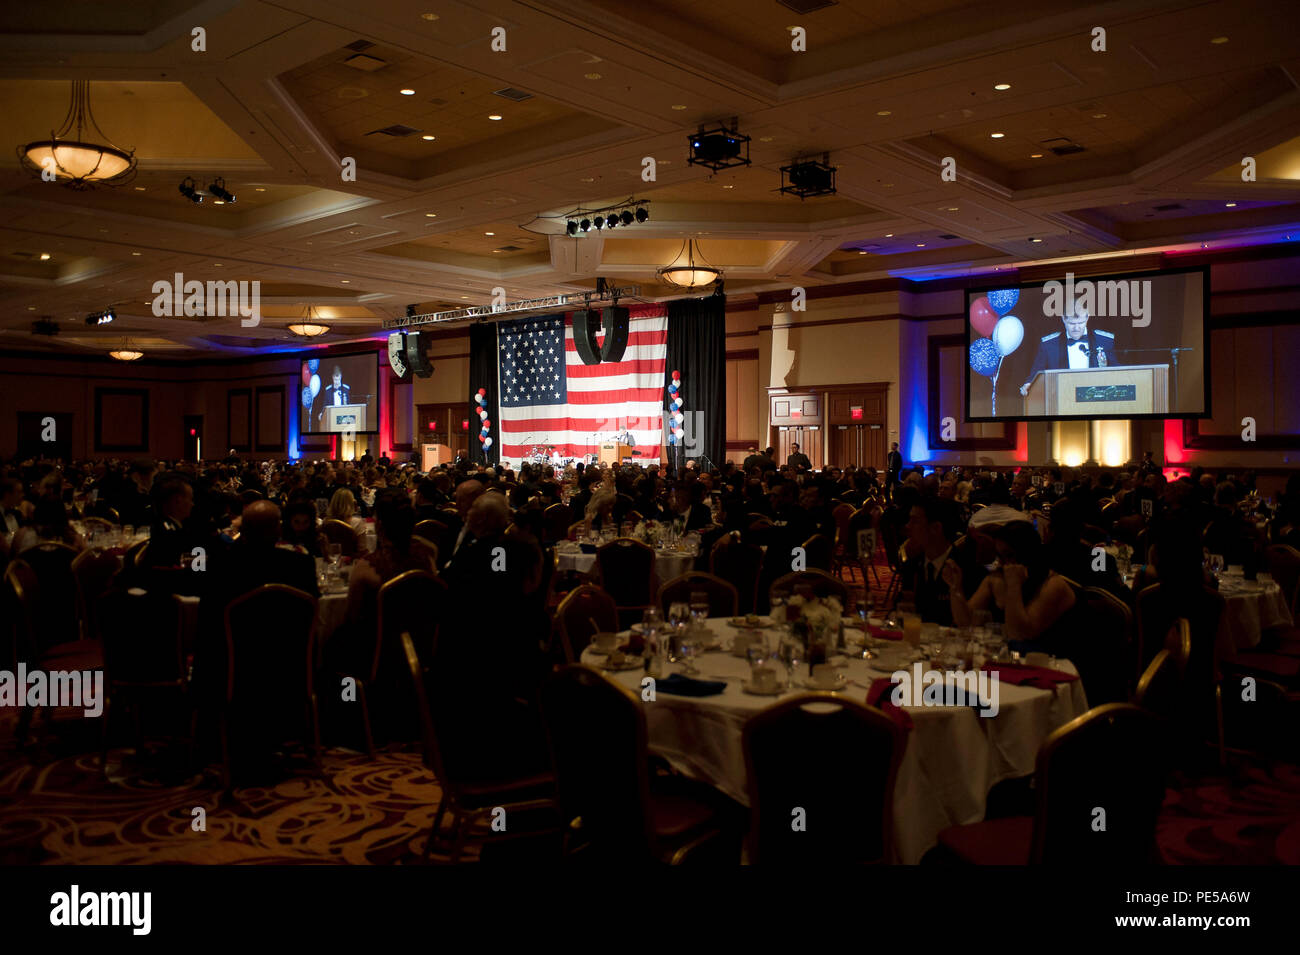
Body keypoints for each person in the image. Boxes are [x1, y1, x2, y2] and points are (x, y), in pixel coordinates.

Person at [900, 497, 984, 625]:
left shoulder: (966, 568)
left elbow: (972, 625)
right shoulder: (912, 565)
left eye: (915, 521)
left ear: (936, 528)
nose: (908, 526)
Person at [1019, 302, 1117, 397]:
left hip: (1097, 400)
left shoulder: (1104, 341)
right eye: (1072, 323)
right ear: (1063, 319)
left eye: (1081, 323)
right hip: (1062, 400)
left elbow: (1118, 373)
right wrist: (1029, 384)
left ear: (1088, 317)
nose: (1076, 328)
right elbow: (1036, 375)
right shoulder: (1048, 345)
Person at [314, 364, 352, 429]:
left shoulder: (346, 389)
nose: (337, 382)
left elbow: (349, 404)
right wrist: (321, 413)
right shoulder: (328, 390)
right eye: (335, 380)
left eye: (338, 380)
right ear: (332, 377)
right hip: (332, 416)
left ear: (341, 377)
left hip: (343, 417)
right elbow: (325, 404)